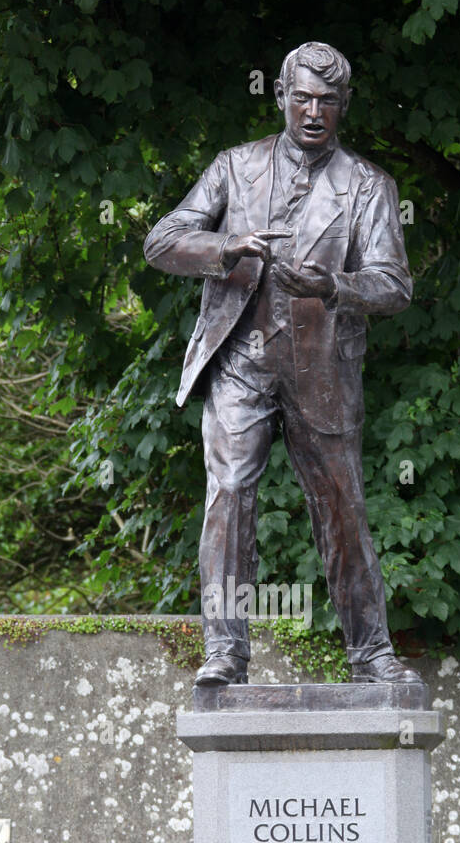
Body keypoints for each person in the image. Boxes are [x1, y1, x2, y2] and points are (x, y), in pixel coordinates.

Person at [144, 41, 426, 701]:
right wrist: (224, 248)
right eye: (301, 97)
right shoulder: (235, 168)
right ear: (279, 96)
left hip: (321, 369)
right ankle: (223, 650)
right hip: (241, 361)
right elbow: (161, 241)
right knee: (229, 494)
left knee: (342, 509)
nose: (313, 111)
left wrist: (334, 285)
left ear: (344, 106)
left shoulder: (368, 186)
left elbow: (394, 285)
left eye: (327, 101)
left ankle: (371, 654)